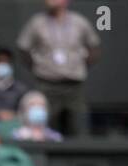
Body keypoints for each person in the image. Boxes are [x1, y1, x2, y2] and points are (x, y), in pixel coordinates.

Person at [16, 0, 100, 137]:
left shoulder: (79, 22)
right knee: (44, 124)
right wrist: (37, 67)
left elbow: (94, 46)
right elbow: (23, 48)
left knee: (79, 124)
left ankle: (80, 156)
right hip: (47, 82)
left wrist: (81, 65)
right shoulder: (37, 22)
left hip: (74, 84)